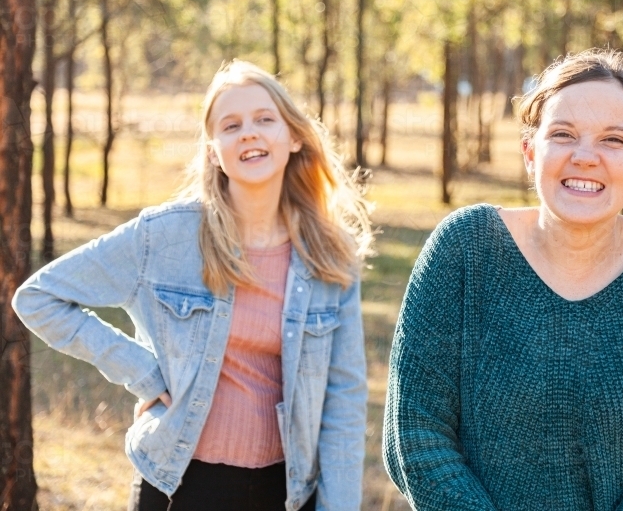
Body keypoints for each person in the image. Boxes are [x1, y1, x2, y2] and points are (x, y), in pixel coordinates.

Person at [14, 61, 372, 511]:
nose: (249, 133)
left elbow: (344, 398)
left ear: (294, 137)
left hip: (286, 492)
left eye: (265, 119)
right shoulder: (163, 238)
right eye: (231, 125)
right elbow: (38, 297)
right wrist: (142, 372)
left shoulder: (329, 255)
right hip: (179, 486)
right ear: (213, 151)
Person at [383, 49, 623, 511]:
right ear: (531, 153)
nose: (585, 157)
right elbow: (416, 431)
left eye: (614, 140)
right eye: (563, 134)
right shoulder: (465, 249)